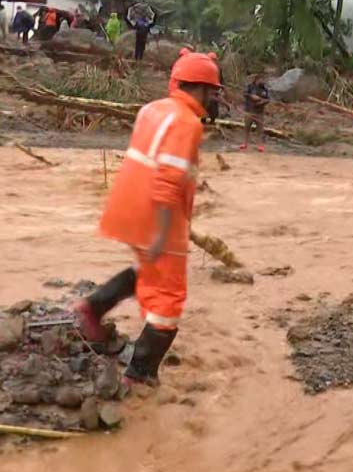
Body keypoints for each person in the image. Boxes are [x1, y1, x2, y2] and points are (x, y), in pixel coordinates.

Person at [72, 49, 222, 388]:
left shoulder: (152, 109)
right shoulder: (187, 124)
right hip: (158, 219)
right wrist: (162, 234)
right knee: (168, 300)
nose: (213, 99)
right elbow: (169, 181)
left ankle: (92, 309)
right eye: (212, 92)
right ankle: (140, 372)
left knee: (148, 273)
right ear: (200, 89)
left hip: (126, 209)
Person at [241, 72, 271, 152]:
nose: (263, 81)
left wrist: (262, 101)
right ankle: (245, 143)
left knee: (260, 130)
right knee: (247, 128)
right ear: (257, 80)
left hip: (259, 112)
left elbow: (268, 99)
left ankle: (260, 145)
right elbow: (244, 93)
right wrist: (252, 96)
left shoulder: (265, 89)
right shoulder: (250, 87)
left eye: (264, 80)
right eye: (262, 79)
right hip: (249, 111)